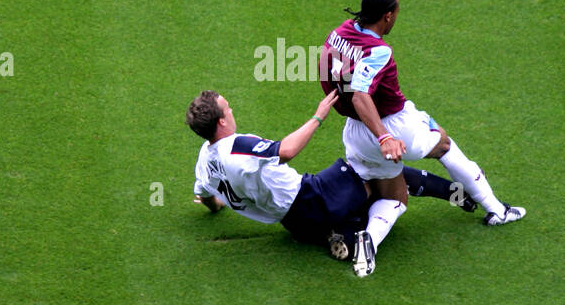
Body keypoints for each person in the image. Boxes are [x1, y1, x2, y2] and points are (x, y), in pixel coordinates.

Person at [320, 0, 524, 271]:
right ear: (388, 16)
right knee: (443, 143)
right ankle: (496, 209)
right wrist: (385, 136)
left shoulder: (337, 33)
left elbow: (327, 70)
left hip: (355, 131)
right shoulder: (378, 50)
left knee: (395, 196)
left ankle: (368, 240)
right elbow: (360, 94)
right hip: (393, 127)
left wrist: (346, 107)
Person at [186, 89, 469, 276]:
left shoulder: (203, 162)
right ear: (221, 122)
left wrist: (218, 203)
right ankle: (459, 196)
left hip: (294, 224)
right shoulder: (237, 146)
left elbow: (206, 196)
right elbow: (286, 151)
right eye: (228, 108)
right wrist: (318, 116)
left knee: (366, 199)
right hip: (312, 196)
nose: (232, 109)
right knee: (380, 172)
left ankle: (343, 235)